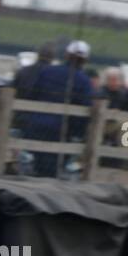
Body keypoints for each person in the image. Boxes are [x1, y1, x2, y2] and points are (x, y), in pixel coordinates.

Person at [27, 40, 95, 176]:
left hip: (36, 125)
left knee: (37, 165)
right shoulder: (85, 81)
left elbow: (33, 94)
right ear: (85, 60)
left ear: (66, 55)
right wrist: (78, 132)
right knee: (52, 170)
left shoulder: (47, 72)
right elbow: (87, 107)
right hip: (62, 131)